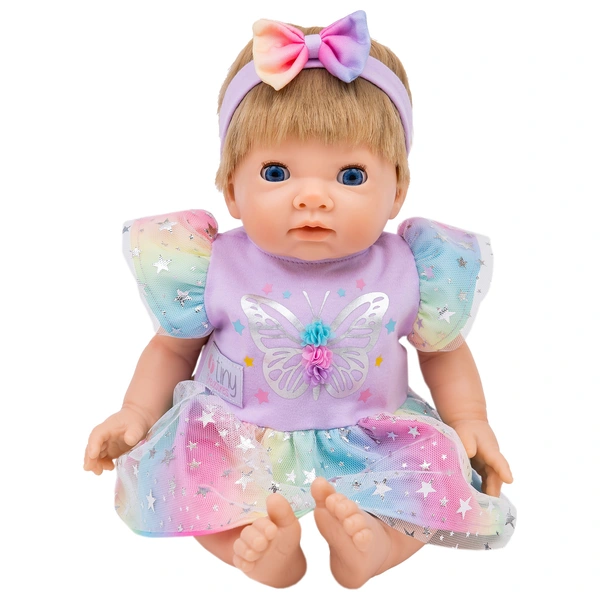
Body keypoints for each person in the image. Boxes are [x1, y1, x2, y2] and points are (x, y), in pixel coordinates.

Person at [84, 10, 516, 589]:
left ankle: (374, 548)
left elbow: (444, 351)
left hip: (371, 435)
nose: (312, 197)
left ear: (397, 191)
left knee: (431, 476)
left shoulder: (411, 269)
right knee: (197, 479)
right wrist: (136, 413)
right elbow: (171, 349)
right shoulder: (212, 265)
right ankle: (260, 549)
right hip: (240, 431)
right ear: (231, 188)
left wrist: (469, 420)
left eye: (351, 176)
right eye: (276, 172)